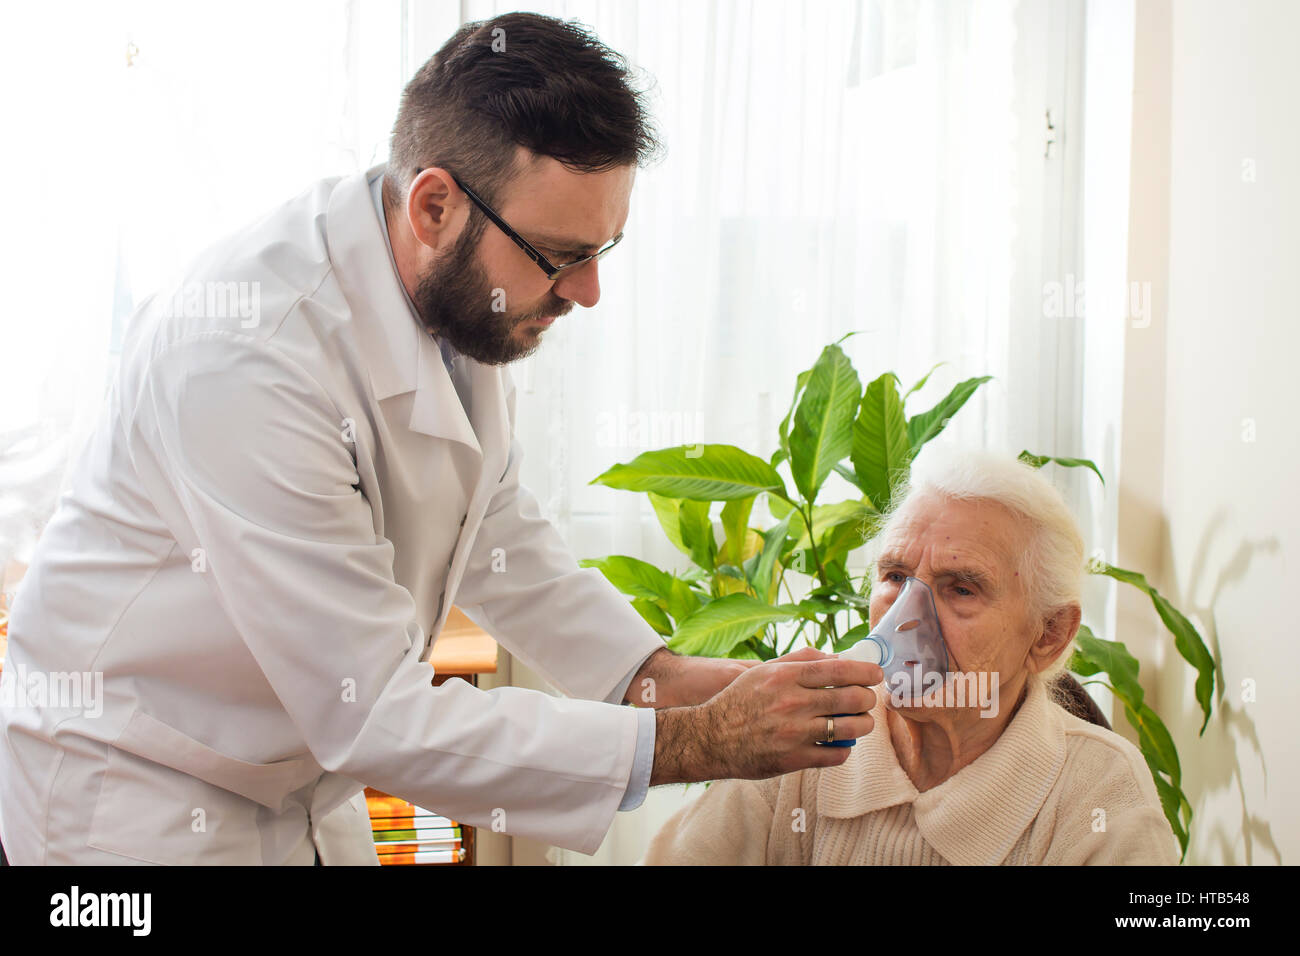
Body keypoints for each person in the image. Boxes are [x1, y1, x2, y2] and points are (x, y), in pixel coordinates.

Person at [0, 12, 879, 865]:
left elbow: (491, 524)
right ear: (433, 205)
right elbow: (378, 713)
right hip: (133, 794)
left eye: (605, 248)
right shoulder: (245, 357)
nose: (589, 293)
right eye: (562, 255)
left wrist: (657, 676)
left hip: (296, 785)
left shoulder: (458, 295)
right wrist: (695, 742)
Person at [644, 450, 1181, 865]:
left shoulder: (1099, 791)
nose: (904, 618)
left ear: (1049, 635)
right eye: (895, 577)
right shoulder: (797, 734)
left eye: (961, 589)